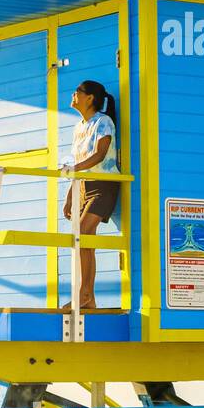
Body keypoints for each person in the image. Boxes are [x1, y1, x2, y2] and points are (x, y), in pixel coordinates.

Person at [63, 79, 120, 310]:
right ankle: (88, 297)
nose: (73, 94)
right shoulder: (78, 127)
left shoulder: (103, 122)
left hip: (104, 184)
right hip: (83, 186)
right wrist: (69, 196)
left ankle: (85, 294)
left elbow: (100, 154)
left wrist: (74, 170)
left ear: (90, 98)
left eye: (78, 91)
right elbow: (77, 162)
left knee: (84, 233)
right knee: (80, 238)